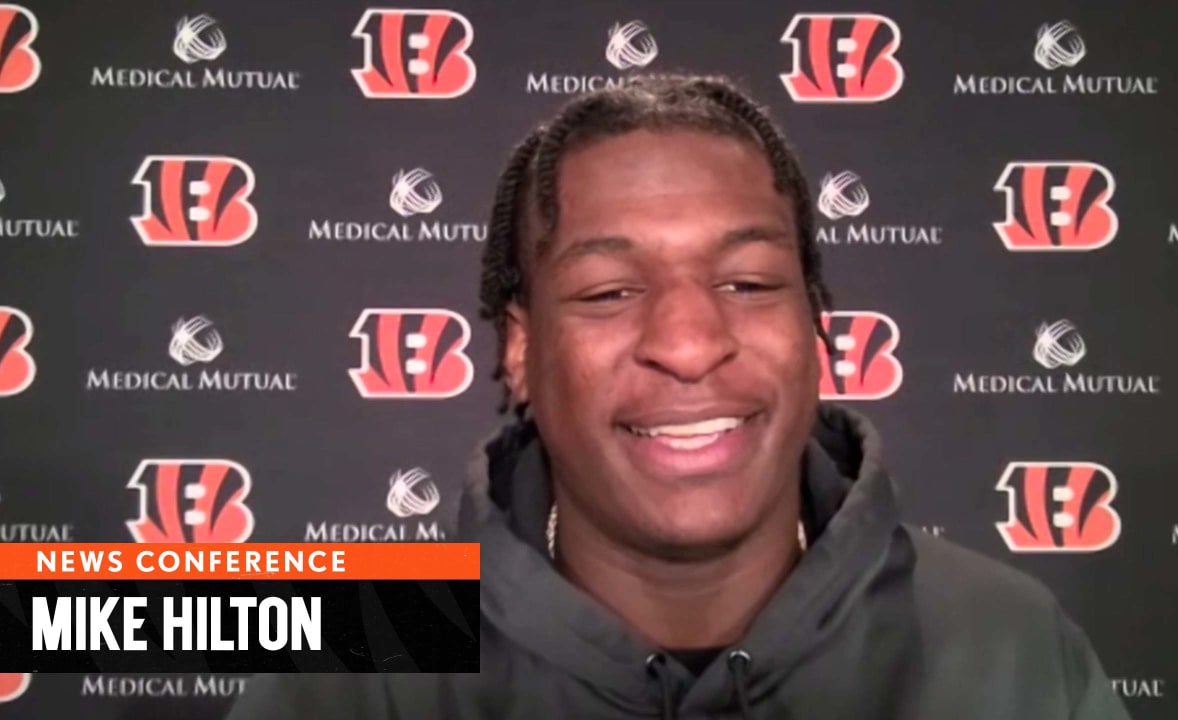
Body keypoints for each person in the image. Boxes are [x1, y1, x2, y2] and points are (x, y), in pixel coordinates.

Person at [227, 74, 1131, 719]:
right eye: (609, 292)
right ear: (521, 347)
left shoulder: (1007, 645)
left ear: (818, 325)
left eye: (747, 282)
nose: (690, 344)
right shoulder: (352, 656)